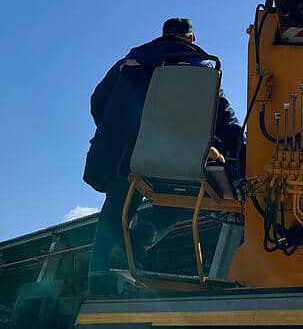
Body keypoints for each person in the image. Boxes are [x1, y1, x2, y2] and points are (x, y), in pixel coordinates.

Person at [84, 18, 241, 295]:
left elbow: (98, 100)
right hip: (176, 160)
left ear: (163, 35)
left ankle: (99, 274)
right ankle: (135, 244)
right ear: (190, 39)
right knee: (185, 198)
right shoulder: (203, 68)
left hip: (126, 156)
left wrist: (115, 131)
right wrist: (242, 151)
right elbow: (223, 119)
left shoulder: (127, 63)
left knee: (117, 205)